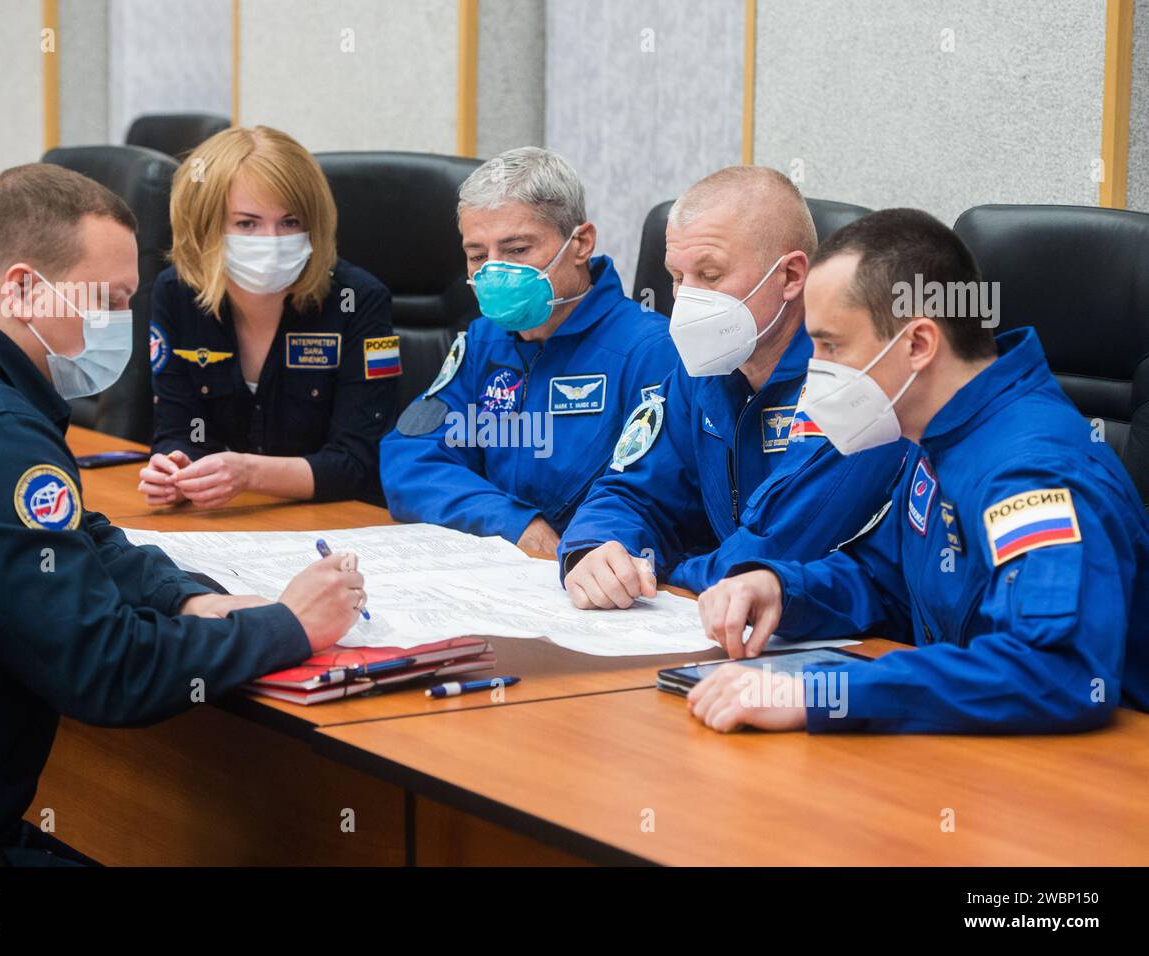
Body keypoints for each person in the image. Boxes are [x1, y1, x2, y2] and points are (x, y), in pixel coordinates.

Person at [0, 164, 364, 865]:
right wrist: (286, 626)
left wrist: (184, 598)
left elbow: (72, 535)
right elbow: (103, 667)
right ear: (23, 288)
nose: (122, 321)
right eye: (109, 299)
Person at [687, 208, 1149, 734]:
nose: (815, 368)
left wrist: (825, 693)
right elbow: (889, 584)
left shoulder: (1035, 473)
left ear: (918, 345)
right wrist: (781, 589)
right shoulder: (938, 437)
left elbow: (1055, 670)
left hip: (1087, 769)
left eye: (831, 345)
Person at [560, 167, 906, 608]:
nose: (686, 299)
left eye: (710, 275)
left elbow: (771, 553)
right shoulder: (707, 366)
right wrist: (596, 549)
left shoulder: (855, 381)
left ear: (790, 276)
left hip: (851, 636)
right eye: (677, 277)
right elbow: (633, 489)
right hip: (726, 622)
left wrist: (662, 570)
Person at [379, 147, 677, 553]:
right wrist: (511, 522)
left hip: (598, 571)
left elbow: (656, 498)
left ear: (581, 243)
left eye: (517, 250)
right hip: (502, 565)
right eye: (478, 256)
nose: (495, 271)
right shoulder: (483, 340)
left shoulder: (650, 350)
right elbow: (409, 460)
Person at [140, 126, 397, 509]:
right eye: (247, 224)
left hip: (335, 520)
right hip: (228, 521)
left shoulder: (360, 299)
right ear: (205, 226)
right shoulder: (176, 293)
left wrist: (248, 474)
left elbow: (360, 463)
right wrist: (177, 468)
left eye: (290, 222)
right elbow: (177, 429)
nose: (272, 241)